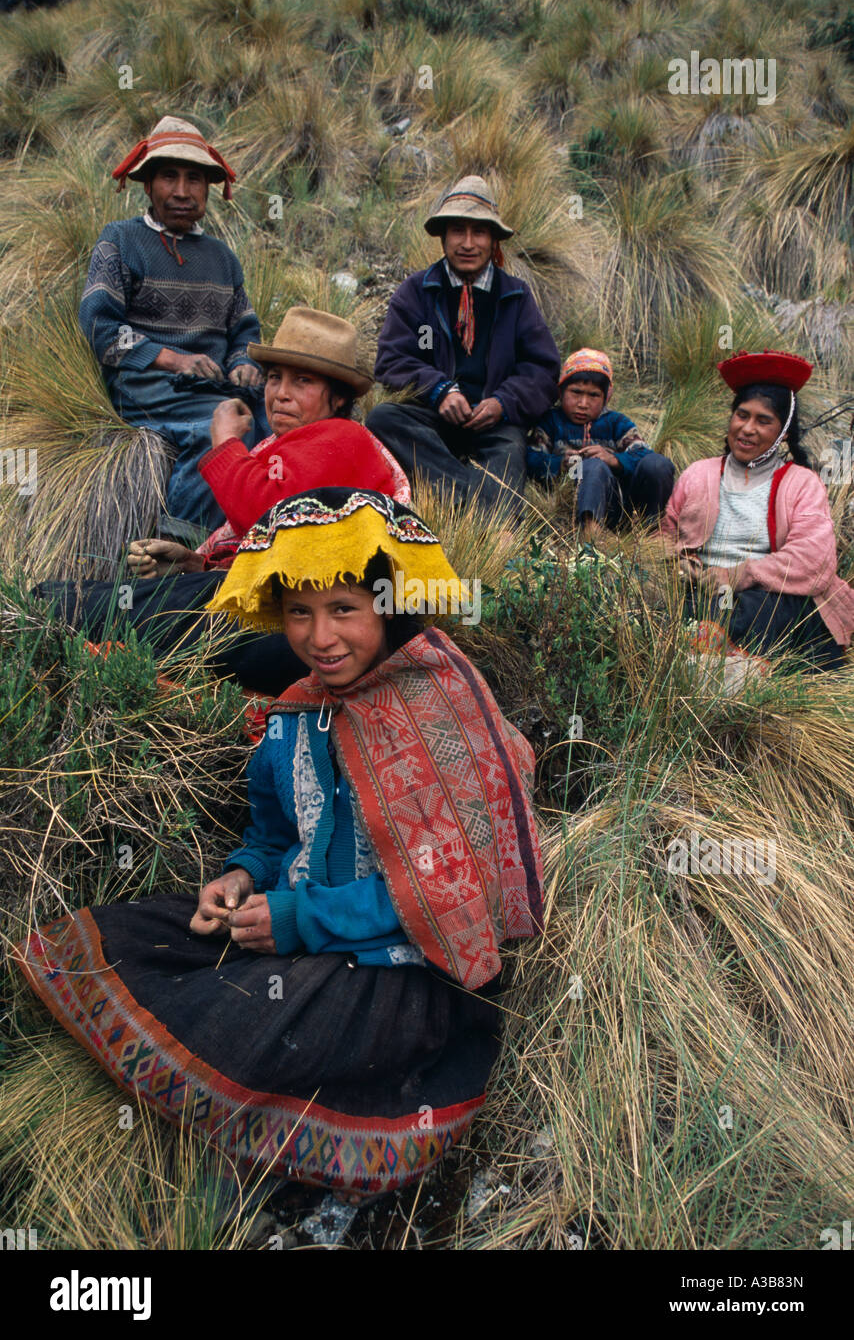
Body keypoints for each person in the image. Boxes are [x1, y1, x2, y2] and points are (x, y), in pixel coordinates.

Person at [14, 488, 544, 1200]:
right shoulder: (294, 712)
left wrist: (299, 920)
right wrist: (239, 877)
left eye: (344, 611)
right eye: (299, 613)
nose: (320, 638)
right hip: (286, 929)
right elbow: (271, 830)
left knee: (258, 1025)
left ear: (387, 606)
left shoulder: (436, 705)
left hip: (397, 965)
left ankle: (250, 1153)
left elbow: (452, 886)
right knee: (119, 940)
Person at [37, 309, 409, 696]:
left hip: (299, 625)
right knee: (141, 608)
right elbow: (271, 541)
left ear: (339, 397)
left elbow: (268, 517)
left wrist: (225, 444)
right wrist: (193, 563)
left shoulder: (342, 438)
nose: (281, 393)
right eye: (274, 378)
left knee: (100, 610)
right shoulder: (289, 448)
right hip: (279, 613)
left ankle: (37, 613)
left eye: (303, 381)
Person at [79, 115, 269, 534]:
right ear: (147, 185)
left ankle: (266, 541)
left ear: (208, 188)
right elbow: (99, 325)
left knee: (280, 426)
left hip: (216, 383)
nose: (182, 191)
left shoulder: (222, 257)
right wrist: (171, 359)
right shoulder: (121, 241)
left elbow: (244, 329)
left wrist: (242, 361)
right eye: (169, 177)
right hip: (150, 387)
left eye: (194, 179)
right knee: (220, 429)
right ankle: (178, 545)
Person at [367, 174, 560, 517]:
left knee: (510, 446)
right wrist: (438, 390)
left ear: (493, 240)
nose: (467, 243)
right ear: (443, 237)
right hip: (433, 419)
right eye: (458, 230)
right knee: (384, 418)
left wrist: (503, 402)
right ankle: (476, 502)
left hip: (495, 424)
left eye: (479, 232)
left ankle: (464, 508)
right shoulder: (416, 292)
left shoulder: (514, 297)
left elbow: (542, 369)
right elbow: (391, 359)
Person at [661, 349, 854, 671]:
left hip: (767, 598)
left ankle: (721, 651)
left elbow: (815, 561)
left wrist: (740, 574)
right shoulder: (698, 473)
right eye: (742, 415)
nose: (747, 428)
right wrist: (682, 563)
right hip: (703, 594)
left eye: (763, 421)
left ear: (783, 433)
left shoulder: (802, 483)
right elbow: (665, 534)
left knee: (767, 606)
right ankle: (722, 647)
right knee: (653, 596)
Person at [527, 348, 675, 532]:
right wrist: (561, 464)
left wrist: (614, 460)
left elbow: (643, 453)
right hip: (570, 507)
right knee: (592, 466)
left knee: (657, 464)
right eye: (576, 392)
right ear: (560, 391)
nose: (583, 403)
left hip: (620, 506)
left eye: (593, 395)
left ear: (607, 397)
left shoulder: (616, 423)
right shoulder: (550, 422)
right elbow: (531, 459)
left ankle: (652, 532)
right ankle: (591, 540)